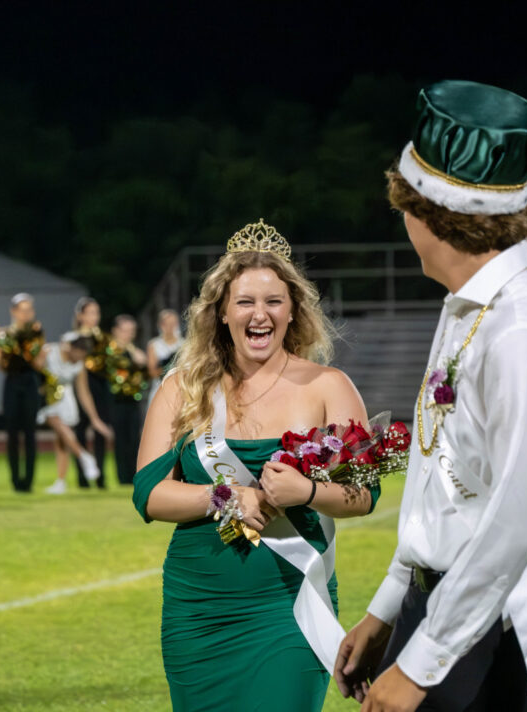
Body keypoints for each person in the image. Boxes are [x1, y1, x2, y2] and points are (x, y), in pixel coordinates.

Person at [335, 81, 527, 712]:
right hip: (457, 609)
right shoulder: (472, 307)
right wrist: (390, 605)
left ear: (430, 214)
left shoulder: (524, 328)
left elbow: (514, 518)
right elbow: (445, 478)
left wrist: (423, 663)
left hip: (512, 619)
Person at [132, 219, 380, 711]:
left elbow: (365, 495)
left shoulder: (329, 385)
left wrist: (306, 493)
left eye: (273, 302)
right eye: (244, 302)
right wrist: (225, 496)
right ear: (221, 313)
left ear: (293, 312)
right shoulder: (183, 388)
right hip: (198, 610)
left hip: (289, 605)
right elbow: (149, 494)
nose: (258, 314)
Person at [37, 334, 112, 494]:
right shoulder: (51, 351)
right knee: (54, 420)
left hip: (66, 398)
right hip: (48, 395)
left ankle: (61, 481)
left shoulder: (79, 364)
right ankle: (83, 455)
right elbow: (37, 367)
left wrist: (95, 419)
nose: (79, 357)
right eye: (78, 353)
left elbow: (84, 393)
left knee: (61, 440)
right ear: (71, 348)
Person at [0, 293, 45, 493]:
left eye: (29, 310)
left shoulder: (36, 333)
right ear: (14, 311)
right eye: (22, 310)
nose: (26, 314)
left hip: (29, 382)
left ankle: (28, 481)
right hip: (12, 382)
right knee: (12, 434)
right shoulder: (5, 334)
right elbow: (2, 365)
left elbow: (38, 364)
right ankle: (15, 480)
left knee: (29, 433)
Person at [70, 297, 112, 489]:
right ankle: (82, 476)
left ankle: (100, 476)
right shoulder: (73, 338)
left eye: (97, 313)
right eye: (90, 313)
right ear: (80, 316)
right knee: (79, 431)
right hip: (80, 387)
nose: (94, 317)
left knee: (100, 431)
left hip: (100, 387)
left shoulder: (103, 338)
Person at [108, 314, 148, 485]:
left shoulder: (133, 350)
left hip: (133, 400)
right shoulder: (112, 351)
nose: (128, 334)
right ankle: (123, 476)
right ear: (115, 331)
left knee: (134, 438)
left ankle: (133, 474)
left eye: (131, 331)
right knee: (120, 439)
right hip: (116, 401)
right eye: (125, 330)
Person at [146, 308, 183, 406]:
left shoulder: (184, 344)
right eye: (167, 324)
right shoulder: (154, 344)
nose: (170, 327)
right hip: (160, 388)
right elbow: (152, 372)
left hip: (180, 390)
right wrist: (168, 368)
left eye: (173, 323)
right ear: (161, 325)